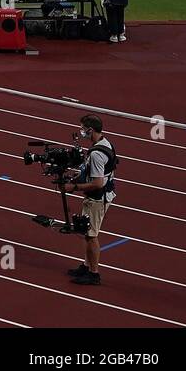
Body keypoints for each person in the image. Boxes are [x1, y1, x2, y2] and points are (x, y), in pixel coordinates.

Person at [61, 115, 118, 286]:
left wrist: (74, 188)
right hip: (99, 196)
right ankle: (87, 266)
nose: (81, 132)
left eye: (83, 128)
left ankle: (94, 274)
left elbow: (98, 183)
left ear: (90, 130)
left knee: (92, 236)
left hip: (98, 199)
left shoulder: (97, 154)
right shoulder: (105, 144)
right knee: (87, 234)